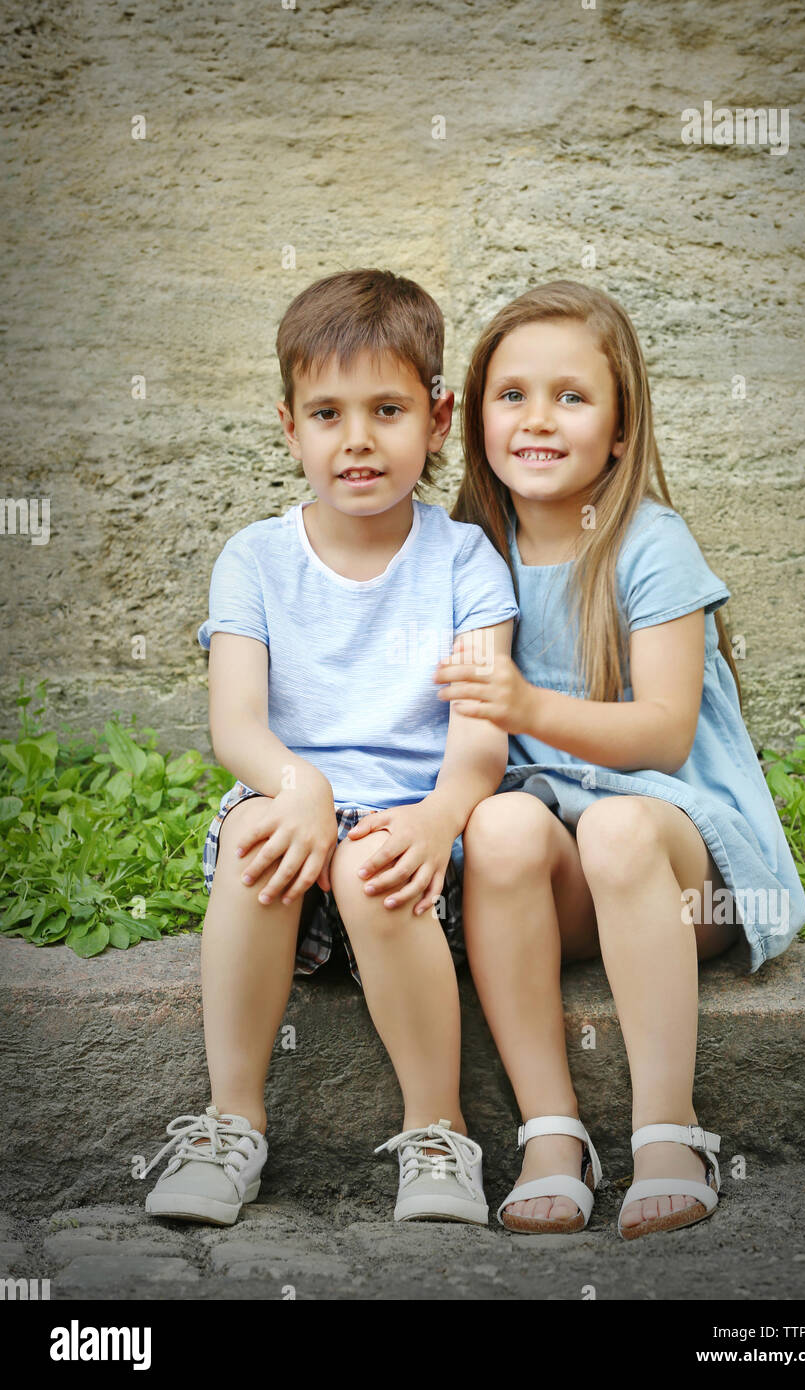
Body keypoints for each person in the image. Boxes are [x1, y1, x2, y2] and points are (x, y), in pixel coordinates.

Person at [139, 268, 518, 1227]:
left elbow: (479, 736)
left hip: (412, 848)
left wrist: (438, 816)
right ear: (288, 425)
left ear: (436, 420)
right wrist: (294, 783)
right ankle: (232, 1122)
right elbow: (238, 725)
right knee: (258, 837)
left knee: (373, 862)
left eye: (386, 409)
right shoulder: (255, 559)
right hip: (294, 814)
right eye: (327, 413)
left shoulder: (464, 558)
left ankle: (438, 1131)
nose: (356, 439)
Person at [434, 280, 805, 1239]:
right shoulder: (471, 553)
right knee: (505, 824)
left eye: (571, 396)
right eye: (510, 395)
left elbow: (661, 735)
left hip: (686, 870)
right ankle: (552, 1134)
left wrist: (526, 704)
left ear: (619, 425)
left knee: (616, 820)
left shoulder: (650, 544)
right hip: (566, 883)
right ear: (475, 417)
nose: (537, 419)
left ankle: (665, 1133)